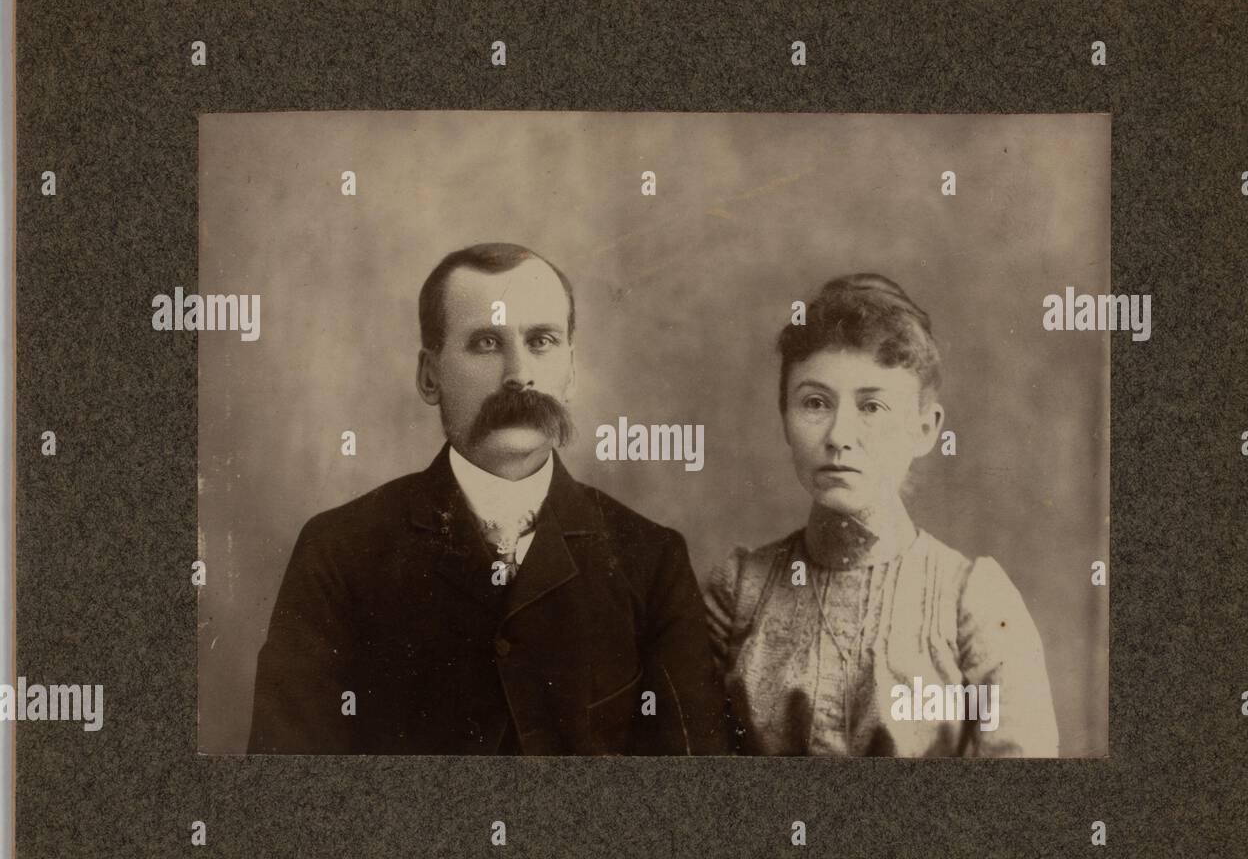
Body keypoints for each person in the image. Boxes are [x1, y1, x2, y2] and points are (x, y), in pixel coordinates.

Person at [248, 242, 728, 755]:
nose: (518, 374)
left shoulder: (651, 561)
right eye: (485, 343)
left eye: (541, 341)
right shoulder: (338, 552)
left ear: (570, 370)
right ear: (429, 377)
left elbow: (687, 794)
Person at [703, 273, 1059, 757]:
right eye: (814, 403)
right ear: (784, 418)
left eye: (872, 406)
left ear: (924, 429)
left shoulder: (970, 599)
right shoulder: (737, 592)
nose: (839, 435)